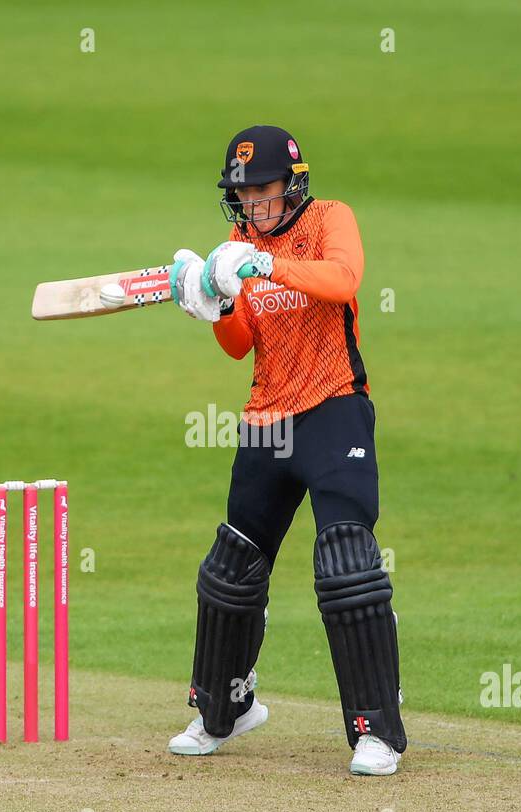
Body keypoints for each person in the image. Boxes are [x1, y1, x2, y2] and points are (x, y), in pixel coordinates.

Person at [165, 125, 407, 775]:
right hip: (267, 419)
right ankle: (227, 709)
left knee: (346, 566)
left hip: (334, 408)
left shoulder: (331, 219)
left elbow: (342, 278)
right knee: (231, 570)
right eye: (240, 195)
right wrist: (211, 302)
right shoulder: (236, 243)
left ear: (294, 183)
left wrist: (269, 264)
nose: (251, 205)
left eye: (262, 191)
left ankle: (376, 730)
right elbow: (241, 343)